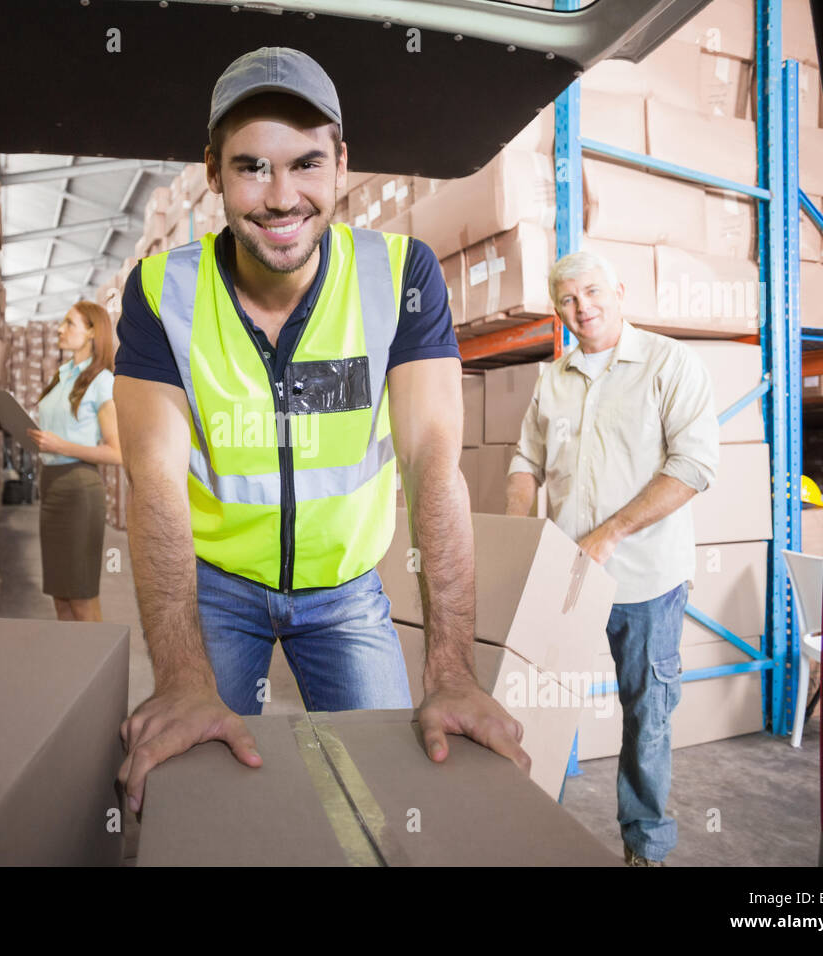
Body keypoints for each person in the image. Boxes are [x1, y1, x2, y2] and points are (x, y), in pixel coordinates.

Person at [112, 46, 531, 813]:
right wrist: (180, 681)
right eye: (251, 168)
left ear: (342, 164)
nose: (281, 198)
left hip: (345, 593)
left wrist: (453, 671)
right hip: (218, 590)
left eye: (306, 164)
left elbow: (434, 465)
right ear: (213, 172)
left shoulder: (400, 276)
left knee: (392, 793)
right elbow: (154, 481)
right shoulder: (160, 292)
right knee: (199, 799)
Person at [504, 250, 720, 867]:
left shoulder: (668, 364)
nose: (583, 308)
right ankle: (532, 828)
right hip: (565, 578)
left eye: (593, 292)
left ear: (620, 291)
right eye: (568, 299)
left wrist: (610, 534)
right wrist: (522, 528)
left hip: (648, 578)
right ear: (558, 308)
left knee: (647, 713)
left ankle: (644, 847)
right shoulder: (554, 379)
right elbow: (526, 463)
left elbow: (695, 465)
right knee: (539, 702)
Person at [26, 301, 122, 622]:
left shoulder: (102, 382)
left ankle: (99, 671)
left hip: (79, 490)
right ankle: (74, 668)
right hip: (51, 485)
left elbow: (116, 452)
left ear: (93, 332)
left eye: (69, 324)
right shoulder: (61, 377)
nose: (60, 329)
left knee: (81, 597)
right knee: (60, 596)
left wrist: (61, 444)